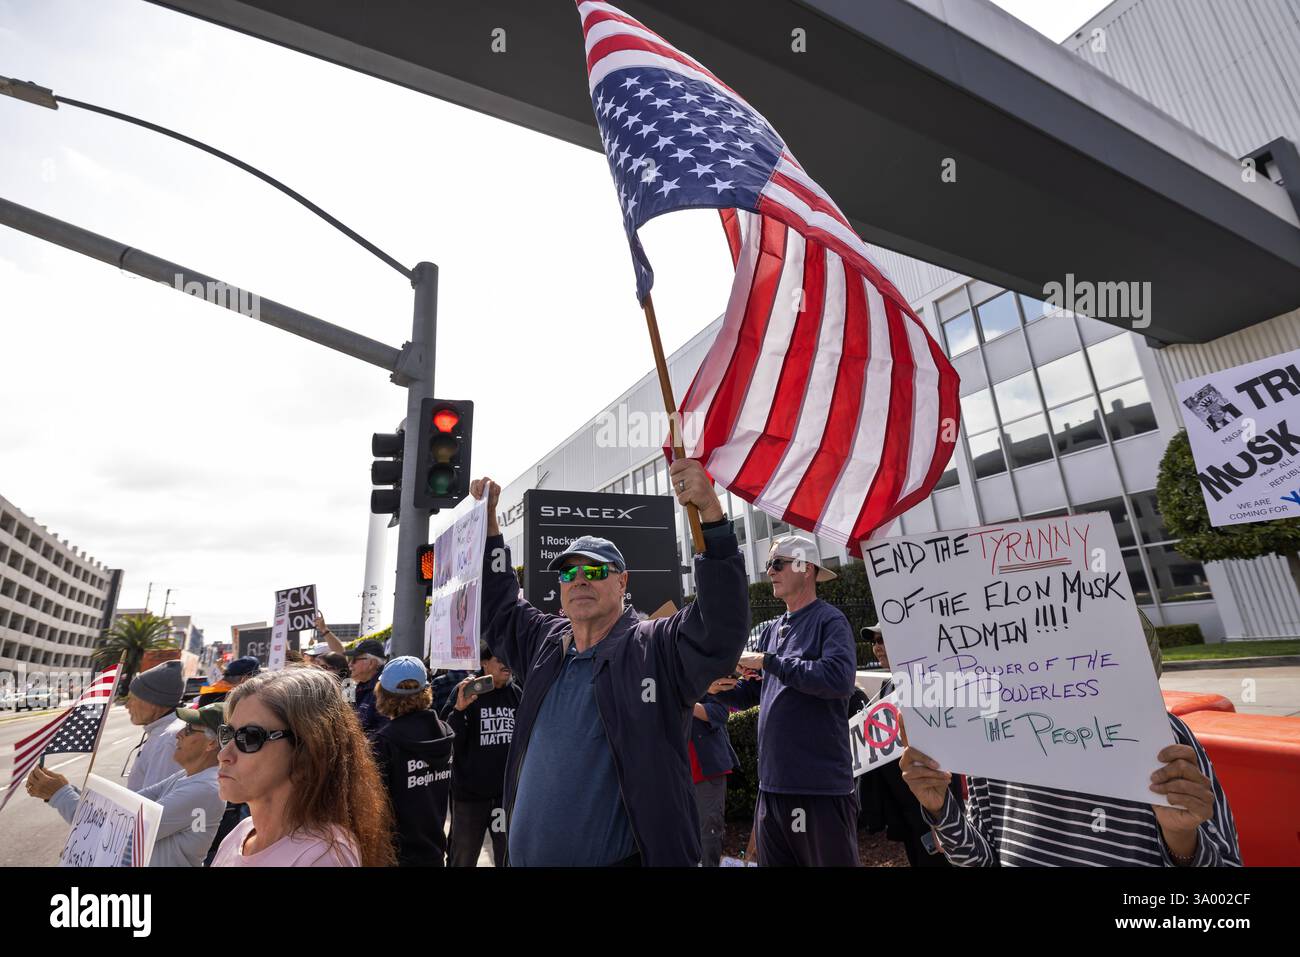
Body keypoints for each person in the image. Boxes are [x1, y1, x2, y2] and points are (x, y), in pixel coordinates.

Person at [470, 458, 749, 866]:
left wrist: (711, 515)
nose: (579, 579)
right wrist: (490, 526)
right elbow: (499, 609)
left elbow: (720, 628)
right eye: (568, 573)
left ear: (622, 582)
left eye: (595, 570)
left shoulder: (654, 647)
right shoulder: (545, 644)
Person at [898, 629, 1242, 866]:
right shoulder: (994, 737)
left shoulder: (1164, 737)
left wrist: (1181, 838)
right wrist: (941, 808)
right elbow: (980, 859)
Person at [713, 535, 859, 866]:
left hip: (818, 787)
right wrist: (718, 688)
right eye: (768, 565)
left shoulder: (829, 620)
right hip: (773, 786)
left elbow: (838, 680)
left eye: (777, 564)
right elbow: (754, 693)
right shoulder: (773, 628)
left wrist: (768, 661)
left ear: (805, 568)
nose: (769, 572)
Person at [210, 668, 394, 867]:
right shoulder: (240, 834)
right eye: (227, 734)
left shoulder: (321, 856)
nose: (223, 755)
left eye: (249, 737)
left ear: (307, 748)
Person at [28, 702, 227, 866]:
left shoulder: (205, 789)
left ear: (211, 743)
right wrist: (64, 790)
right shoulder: (187, 776)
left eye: (190, 729)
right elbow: (124, 806)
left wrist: (60, 793)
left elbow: (119, 828)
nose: (179, 733)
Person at [856, 624, 954, 867]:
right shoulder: (887, 687)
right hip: (907, 813)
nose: (877, 647)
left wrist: (939, 820)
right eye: (874, 641)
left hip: (932, 809)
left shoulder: (927, 687)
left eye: (882, 640)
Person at [443, 641, 522, 867]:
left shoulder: (516, 694)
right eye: (500, 660)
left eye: (509, 659)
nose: (506, 665)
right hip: (470, 799)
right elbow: (449, 740)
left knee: (507, 855)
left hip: (504, 798)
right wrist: (459, 710)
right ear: (484, 663)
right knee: (463, 856)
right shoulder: (465, 692)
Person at [371, 656, 455, 867]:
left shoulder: (384, 742)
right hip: (434, 852)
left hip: (396, 856)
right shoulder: (443, 732)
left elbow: (372, 806)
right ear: (426, 691)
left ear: (382, 692)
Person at [689, 681, 740, 866]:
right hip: (674, 772)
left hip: (706, 771)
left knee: (708, 835)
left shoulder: (708, 670)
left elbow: (720, 713)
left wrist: (686, 704)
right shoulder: (661, 673)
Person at [122, 659, 188, 791]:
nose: (127, 705)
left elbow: (153, 804)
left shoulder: (169, 739)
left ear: (152, 702)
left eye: (132, 699)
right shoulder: (165, 732)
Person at [344, 638, 389, 736]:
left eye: (354, 660)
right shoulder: (359, 684)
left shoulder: (384, 689)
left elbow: (382, 734)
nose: (350, 664)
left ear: (371, 663)